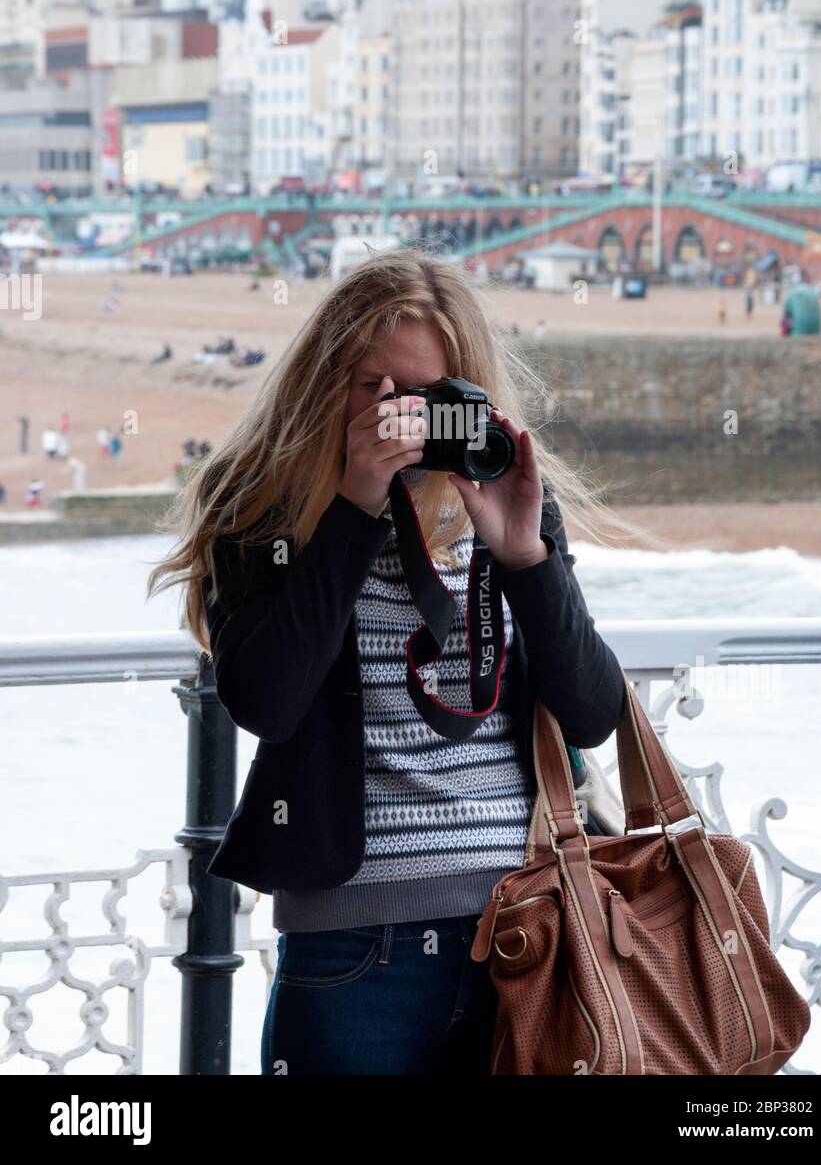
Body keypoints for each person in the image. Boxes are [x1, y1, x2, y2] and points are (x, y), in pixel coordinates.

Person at [147, 250, 628, 1077]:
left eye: (423, 397)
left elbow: (591, 712)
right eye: (373, 387)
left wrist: (523, 556)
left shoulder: (503, 495)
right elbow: (266, 700)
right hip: (351, 942)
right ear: (323, 379)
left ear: (464, 398)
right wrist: (353, 508)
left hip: (531, 924)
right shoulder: (259, 500)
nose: (396, 416)